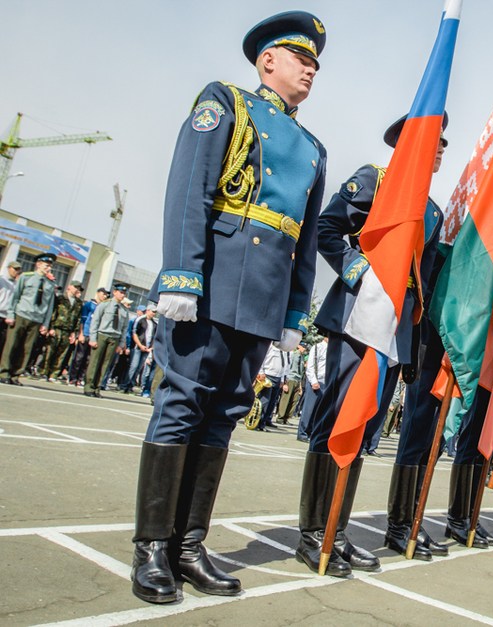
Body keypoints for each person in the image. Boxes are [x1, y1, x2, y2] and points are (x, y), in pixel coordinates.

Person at [130, 10, 328, 605]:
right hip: (213, 282)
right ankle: (150, 548)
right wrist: (182, 274)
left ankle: (188, 544)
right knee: (183, 404)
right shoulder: (226, 102)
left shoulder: (314, 147)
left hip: (263, 297)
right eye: (302, 59)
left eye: (316, 64)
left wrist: (296, 314)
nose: (311, 70)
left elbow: (306, 239)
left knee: (223, 416)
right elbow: (191, 185)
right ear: (268, 60)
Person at [298, 111, 448, 573]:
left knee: (365, 428)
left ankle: (336, 532)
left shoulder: (431, 209)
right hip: (357, 317)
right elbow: (327, 229)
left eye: (444, 143)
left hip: (395, 329)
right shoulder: (374, 179)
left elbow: (418, 278)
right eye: (434, 140)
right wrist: (359, 271)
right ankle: (312, 534)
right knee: (338, 418)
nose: (441, 147)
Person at [0, 252, 57, 385]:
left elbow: (49, 307)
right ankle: (4, 372)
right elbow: (15, 297)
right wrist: (10, 314)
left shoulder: (50, 284)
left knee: (26, 349)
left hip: (36, 319)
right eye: (46, 265)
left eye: (50, 266)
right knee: (11, 345)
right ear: (38, 264)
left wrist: (46, 324)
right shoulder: (26, 277)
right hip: (21, 315)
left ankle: (16, 374)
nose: (48, 268)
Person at [84, 285, 130, 397]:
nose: (122, 295)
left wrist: (121, 344)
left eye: (124, 293)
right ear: (114, 292)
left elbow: (124, 329)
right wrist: (93, 338)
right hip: (102, 335)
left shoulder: (124, 310)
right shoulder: (105, 304)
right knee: (95, 361)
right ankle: (89, 386)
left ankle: (97, 387)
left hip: (115, 338)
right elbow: (95, 321)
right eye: (120, 292)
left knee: (106, 364)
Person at [42, 281, 85, 381]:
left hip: (68, 331)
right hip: (57, 327)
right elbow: (53, 313)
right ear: (69, 287)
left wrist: (74, 333)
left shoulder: (78, 303)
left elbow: (78, 319)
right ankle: (43, 372)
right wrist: (51, 327)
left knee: (61, 354)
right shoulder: (60, 298)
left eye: (79, 288)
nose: (77, 290)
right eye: (75, 287)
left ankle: (54, 374)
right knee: (49, 351)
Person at [121, 304, 157, 392]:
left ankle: (131, 386)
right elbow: (134, 333)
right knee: (133, 366)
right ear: (148, 310)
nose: (154, 314)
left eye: (155, 312)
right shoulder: (140, 320)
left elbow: (154, 337)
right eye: (153, 311)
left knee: (139, 368)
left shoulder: (154, 324)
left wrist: (150, 347)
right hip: (138, 347)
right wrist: (140, 345)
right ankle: (124, 385)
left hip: (147, 348)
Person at [298, 337, 327, 442]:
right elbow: (310, 366)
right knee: (309, 409)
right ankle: (303, 432)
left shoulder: (334, 350)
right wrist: (313, 381)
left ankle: (312, 432)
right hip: (316, 381)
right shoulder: (317, 347)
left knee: (318, 411)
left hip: (326, 382)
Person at [276, 343, 306, 424]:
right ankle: (280, 417)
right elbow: (287, 367)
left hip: (297, 380)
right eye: (303, 347)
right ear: (299, 346)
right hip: (290, 378)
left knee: (294, 400)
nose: (305, 349)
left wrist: (300, 386)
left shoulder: (302, 357)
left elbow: (301, 372)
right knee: (286, 399)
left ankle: (287, 417)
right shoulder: (293, 355)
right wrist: (285, 382)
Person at [0, 261, 22, 356]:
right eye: (15, 269)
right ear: (9, 268)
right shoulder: (1, 280)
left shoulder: (17, 284)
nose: (16, 271)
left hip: (8, 317)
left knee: (2, 342)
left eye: (18, 270)